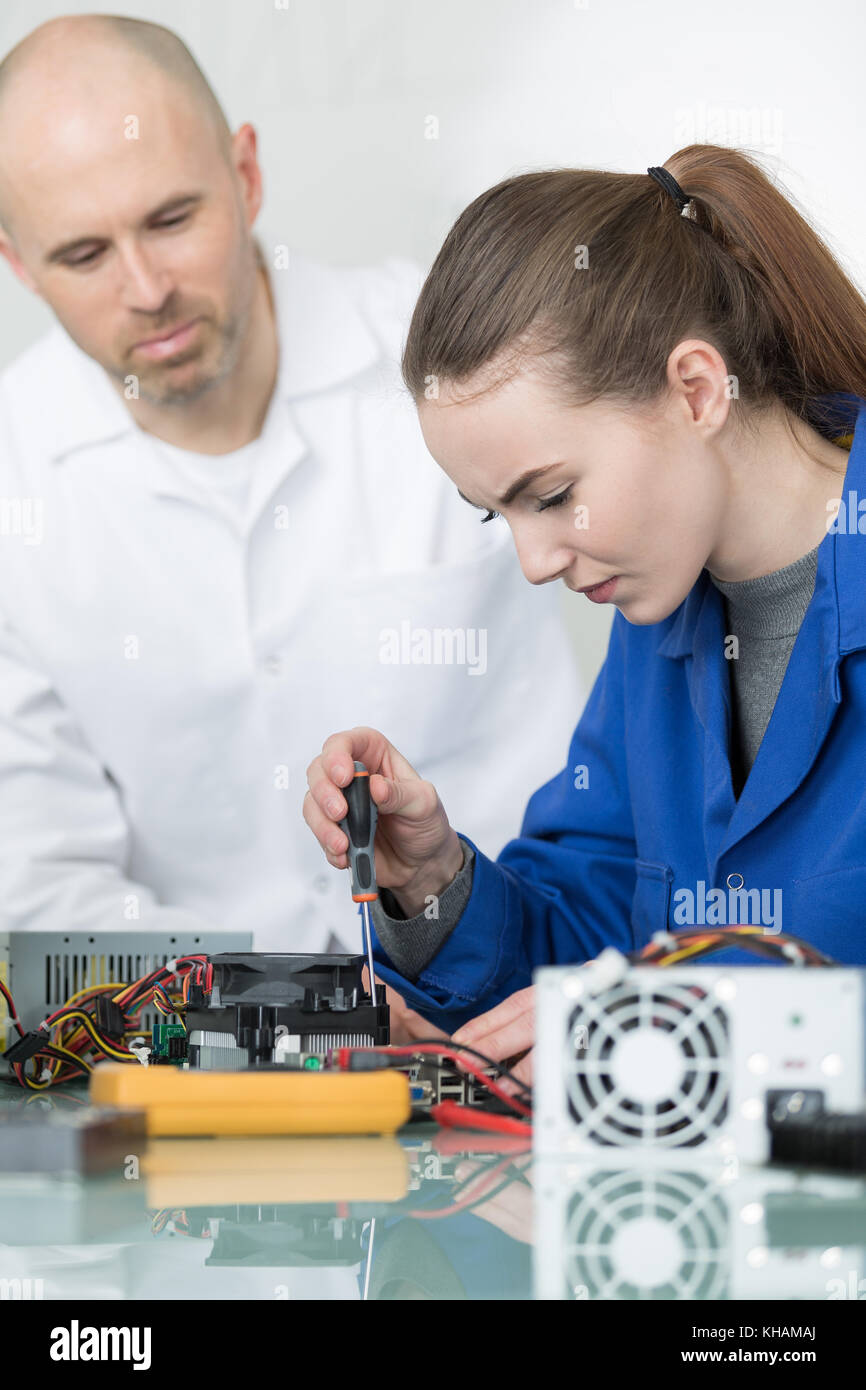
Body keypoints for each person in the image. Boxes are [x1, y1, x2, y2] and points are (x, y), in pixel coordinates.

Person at [0, 15, 583, 1036]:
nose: (147, 289)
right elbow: (43, 893)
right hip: (206, 1077)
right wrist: (295, 1021)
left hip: (527, 1020)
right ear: (15, 263)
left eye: (172, 218)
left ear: (246, 175)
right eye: (84, 253)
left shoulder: (454, 365)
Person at [304, 145, 866, 1078]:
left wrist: (704, 1044)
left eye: (554, 495)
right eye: (501, 513)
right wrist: (433, 880)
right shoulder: (661, 626)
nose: (533, 562)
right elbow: (586, 968)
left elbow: (650, 1022)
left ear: (696, 391)